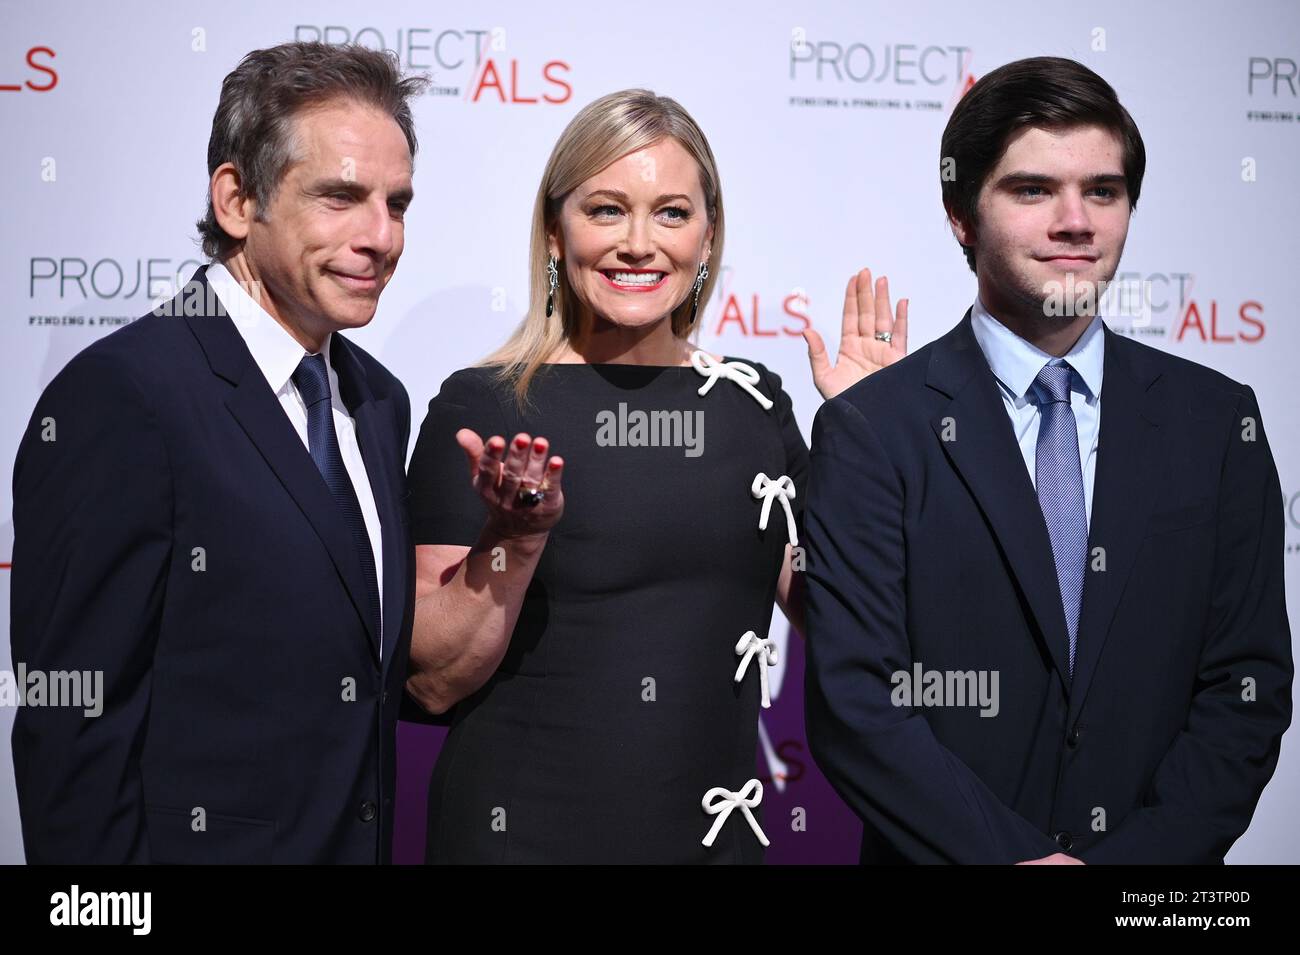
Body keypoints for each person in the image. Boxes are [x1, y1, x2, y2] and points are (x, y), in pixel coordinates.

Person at [803, 56, 1293, 864]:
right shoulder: (875, 428)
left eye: (1103, 191)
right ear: (962, 214)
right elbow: (858, 703)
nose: (1076, 221)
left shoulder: (1216, 421)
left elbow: (1245, 690)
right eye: (1033, 191)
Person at [403, 88, 907, 863]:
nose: (639, 243)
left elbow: (849, 621)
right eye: (606, 209)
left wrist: (868, 439)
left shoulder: (753, 404)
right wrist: (515, 536)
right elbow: (431, 680)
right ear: (553, 228)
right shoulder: (484, 407)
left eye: (671, 213)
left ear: (708, 238)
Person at [10, 42, 428, 863]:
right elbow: (74, 732)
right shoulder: (126, 398)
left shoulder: (380, 401)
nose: (381, 236)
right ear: (237, 200)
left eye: (398, 202)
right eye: (341, 196)